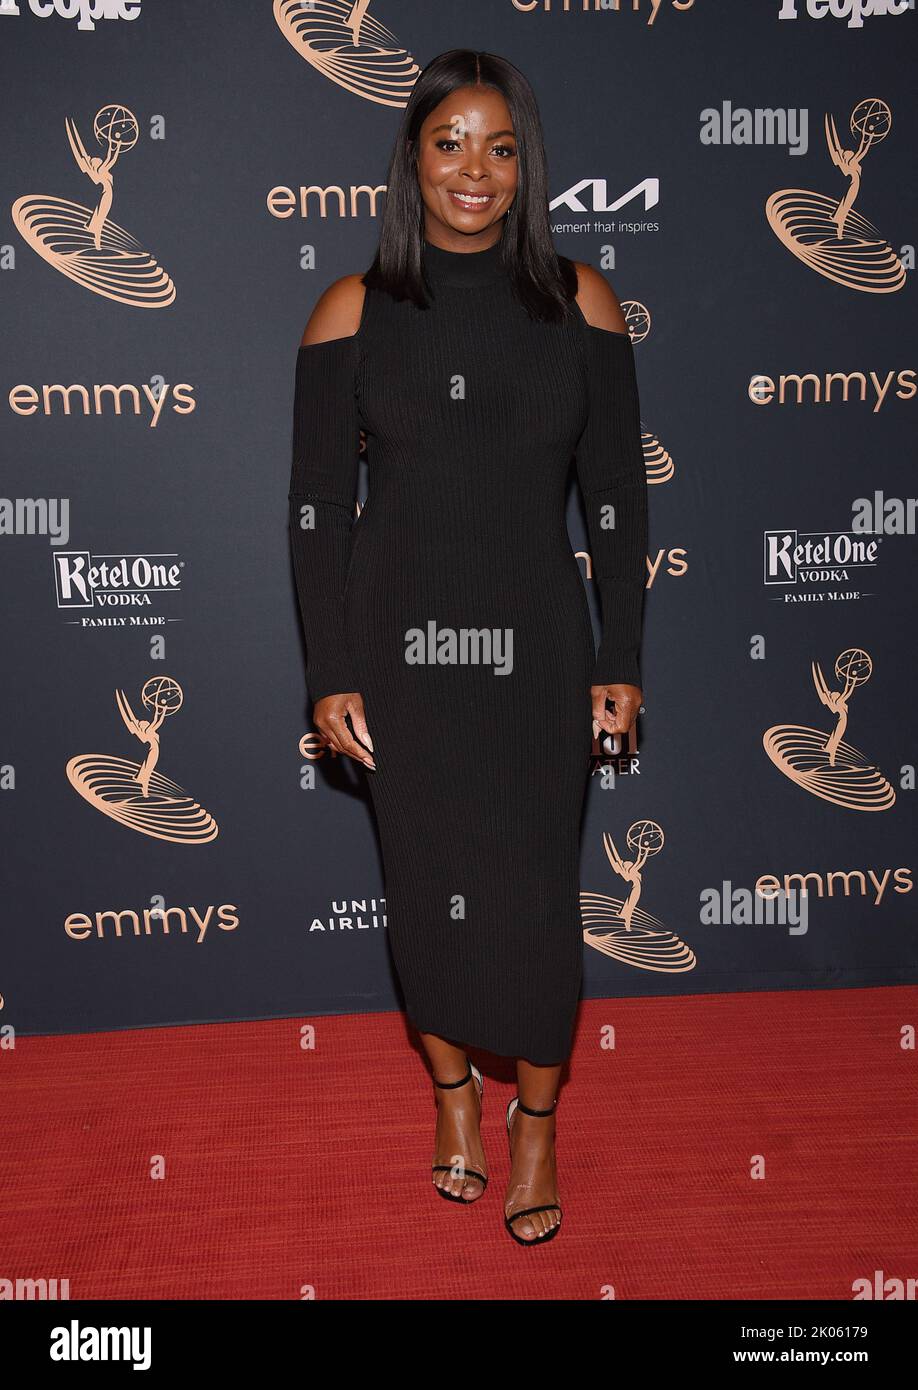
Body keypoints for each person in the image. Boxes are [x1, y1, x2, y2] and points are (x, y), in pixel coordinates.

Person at [288, 50, 648, 1246]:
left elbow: (616, 501)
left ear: (524, 162)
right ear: (413, 157)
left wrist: (621, 654)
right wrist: (331, 669)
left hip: (540, 647)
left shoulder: (580, 302)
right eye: (450, 142)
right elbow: (312, 513)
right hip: (401, 654)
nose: (475, 170)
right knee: (424, 901)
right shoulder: (351, 310)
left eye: (499, 145)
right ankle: (454, 1100)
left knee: (540, 900)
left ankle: (534, 1122)